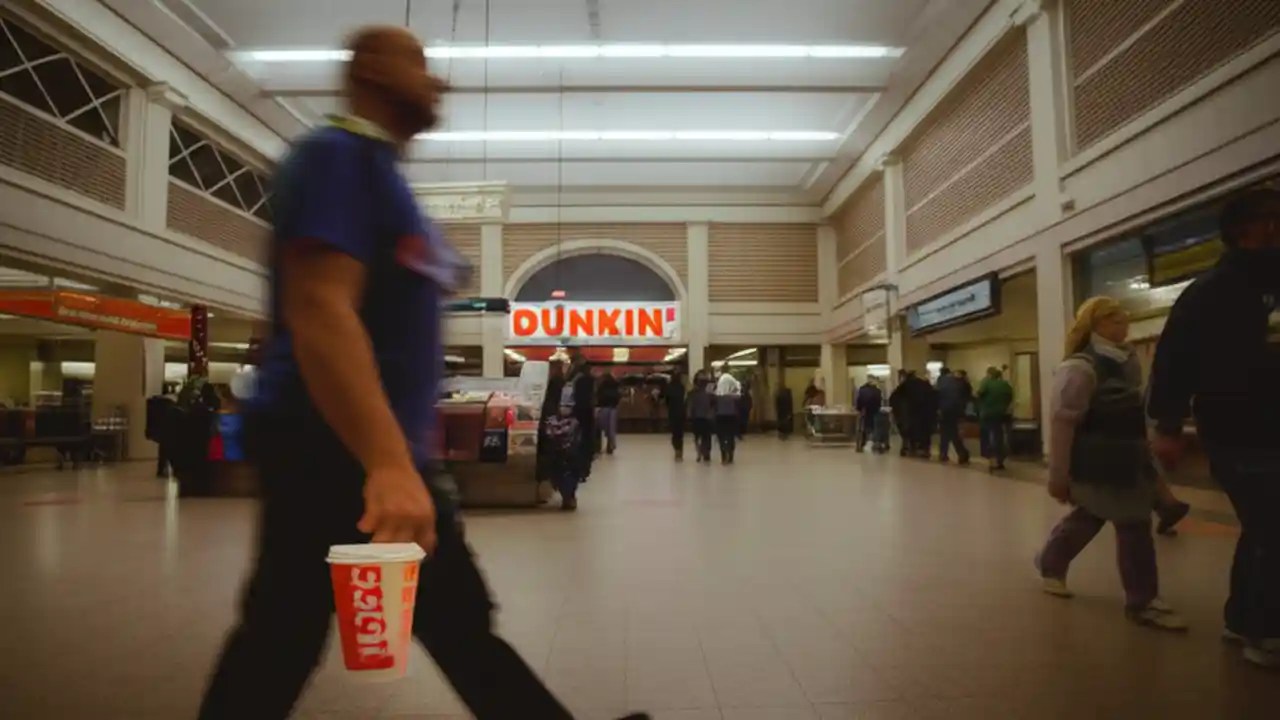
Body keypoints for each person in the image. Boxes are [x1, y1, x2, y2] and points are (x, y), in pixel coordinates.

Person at [196, 27, 648, 720]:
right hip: (332, 447)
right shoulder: (335, 157)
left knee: (444, 625)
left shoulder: (382, 179)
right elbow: (320, 309)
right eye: (419, 66)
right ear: (372, 70)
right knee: (288, 634)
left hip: (367, 450)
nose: (439, 83)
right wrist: (386, 464)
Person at [1147, 188, 1280, 668]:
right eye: (1272, 219)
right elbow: (1173, 361)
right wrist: (1166, 425)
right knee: (1272, 522)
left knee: (1264, 526)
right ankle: (1264, 630)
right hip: (1236, 428)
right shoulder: (1211, 291)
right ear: (1251, 228)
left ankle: (1244, 617)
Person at [1034, 297, 1187, 632]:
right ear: (1096, 324)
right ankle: (1142, 600)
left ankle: (1054, 562)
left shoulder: (1129, 360)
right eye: (1114, 320)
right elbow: (1062, 424)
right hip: (1096, 459)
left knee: (1102, 518)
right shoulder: (1080, 367)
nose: (1123, 325)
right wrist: (1058, 474)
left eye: (1124, 319)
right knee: (1120, 522)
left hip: (1128, 457)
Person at [544, 386, 583, 511]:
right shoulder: (556, 421)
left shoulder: (573, 423)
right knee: (563, 476)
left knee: (568, 476)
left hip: (568, 455)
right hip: (560, 455)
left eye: (568, 406)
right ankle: (567, 496)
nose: (565, 409)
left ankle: (568, 496)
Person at [975, 366, 1014, 470]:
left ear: (990, 375)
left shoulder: (987, 383)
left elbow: (978, 394)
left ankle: (993, 460)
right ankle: (1000, 459)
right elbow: (1010, 396)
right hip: (1002, 413)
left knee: (990, 436)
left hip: (988, 413)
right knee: (999, 436)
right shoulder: (1005, 385)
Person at [567, 354, 596, 480]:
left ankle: (579, 469)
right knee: (586, 442)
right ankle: (584, 469)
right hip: (587, 412)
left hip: (576, 412)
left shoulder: (574, 380)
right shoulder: (589, 380)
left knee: (576, 442)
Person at [935, 367, 972, 465]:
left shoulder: (941, 381)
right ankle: (962, 453)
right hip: (956, 411)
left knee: (944, 433)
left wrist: (938, 409)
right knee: (954, 432)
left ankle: (943, 453)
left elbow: (937, 395)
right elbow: (968, 396)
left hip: (944, 410)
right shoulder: (962, 383)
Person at [714, 371, 741, 464]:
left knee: (721, 436)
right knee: (730, 436)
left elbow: (714, 407)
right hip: (731, 417)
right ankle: (730, 454)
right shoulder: (735, 397)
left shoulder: (717, 396)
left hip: (720, 417)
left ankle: (723, 455)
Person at [689, 371, 716, 462]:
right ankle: (704, 452)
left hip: (699, 417)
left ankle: (701, 452)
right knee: (705, 437)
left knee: (700, 437)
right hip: (705, 417)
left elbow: (691, 406)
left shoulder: (693, 393)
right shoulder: (709, 393)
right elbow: (714, 404)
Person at [854, 378, 883, 453]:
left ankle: (860, 444)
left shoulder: (862, 390)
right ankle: (877, 444)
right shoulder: (877, 391)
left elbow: (859, 401)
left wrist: (859, 409)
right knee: (876, 428)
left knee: (862, 429)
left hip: (864, 411)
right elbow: (879, 402)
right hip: (874, 411)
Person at [595, 372, 620, 456]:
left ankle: (598, 447)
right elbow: (618, 397)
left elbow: (597, 396)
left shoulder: (601, 386)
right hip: (613, 408)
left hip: (602, 408)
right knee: (611, 429)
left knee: (598, 428)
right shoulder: (615, 386)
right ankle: (610, 446)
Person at [665, 370, 688, 461]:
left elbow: (667, 401)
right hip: (681, 412)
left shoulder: (669, 387)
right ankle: (680, 451)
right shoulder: (682, 387)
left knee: (674, 433)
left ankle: (677, 450)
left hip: (672, 412)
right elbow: (684, 400)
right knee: (680, 433)